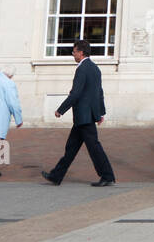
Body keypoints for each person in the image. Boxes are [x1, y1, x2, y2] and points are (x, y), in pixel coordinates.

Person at [42, 41, 115, 187]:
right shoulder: (95, 68)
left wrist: (60, 110)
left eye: (74, 51)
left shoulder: (82, 69)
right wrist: (100, 112)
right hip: (86, 115)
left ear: (81, 52)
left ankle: (107, 175)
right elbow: (99, 92)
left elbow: (76, 93)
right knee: (71, 147)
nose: (73, 54)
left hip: (84, 116)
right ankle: (56, 175)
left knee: (93, 147)